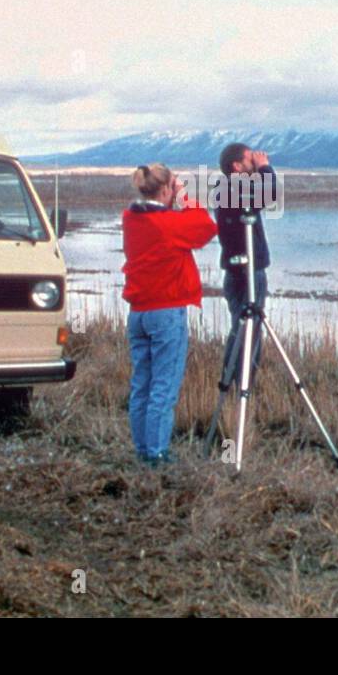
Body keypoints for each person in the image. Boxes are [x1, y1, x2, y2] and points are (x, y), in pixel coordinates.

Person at [121, 163, 218, 467]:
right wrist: (185, 197)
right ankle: (157, 454)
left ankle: (143, 449)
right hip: (165, 313)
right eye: (172, 187)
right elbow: (205, 227)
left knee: (142, 385)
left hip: (138, 312)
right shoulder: (166, 225)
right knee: (164, 386)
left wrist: (172, 194)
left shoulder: (131, 219)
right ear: (165, 190)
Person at [215, 143, 277, 386]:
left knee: (241, 328)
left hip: (239, 271)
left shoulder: (230, 190)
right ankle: (241, 386)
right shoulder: (234, 190)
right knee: (248, 331)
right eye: (251, 159)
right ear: (237, 166)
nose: (256, 160)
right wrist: (265, 168)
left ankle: (233, 382)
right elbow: (270, 195)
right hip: (247, 273)